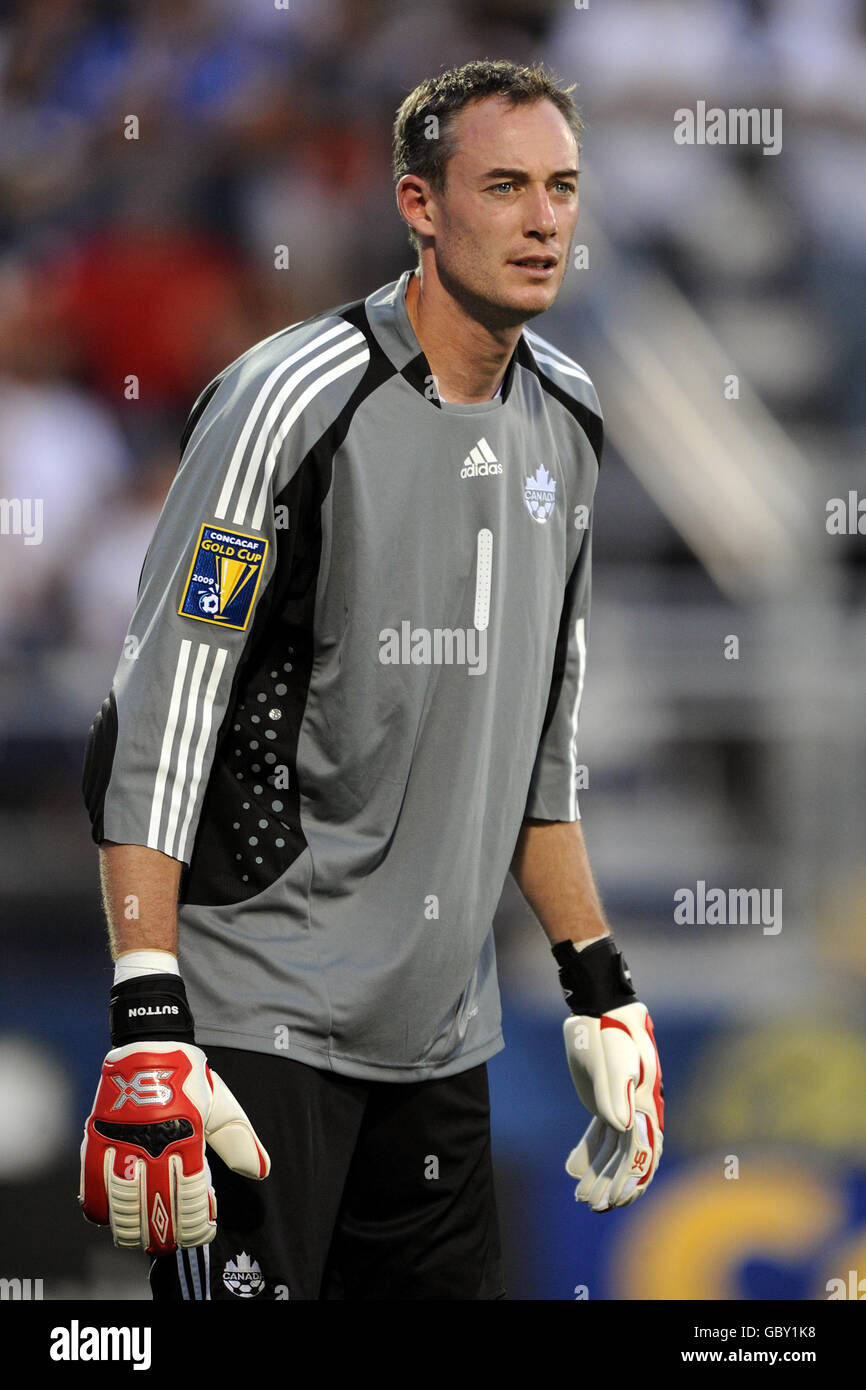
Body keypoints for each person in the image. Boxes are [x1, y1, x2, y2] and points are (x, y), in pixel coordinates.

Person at [79, 58, 663, 1302]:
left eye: (561, 186)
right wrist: (145, 1011)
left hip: (440, 1040)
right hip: (256, 1025)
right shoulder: (288, 400)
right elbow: (157, 721)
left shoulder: (570, 415)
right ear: (417, 203)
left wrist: (599, 983)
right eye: (502, 186)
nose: (542, 218)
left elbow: (536, 745)